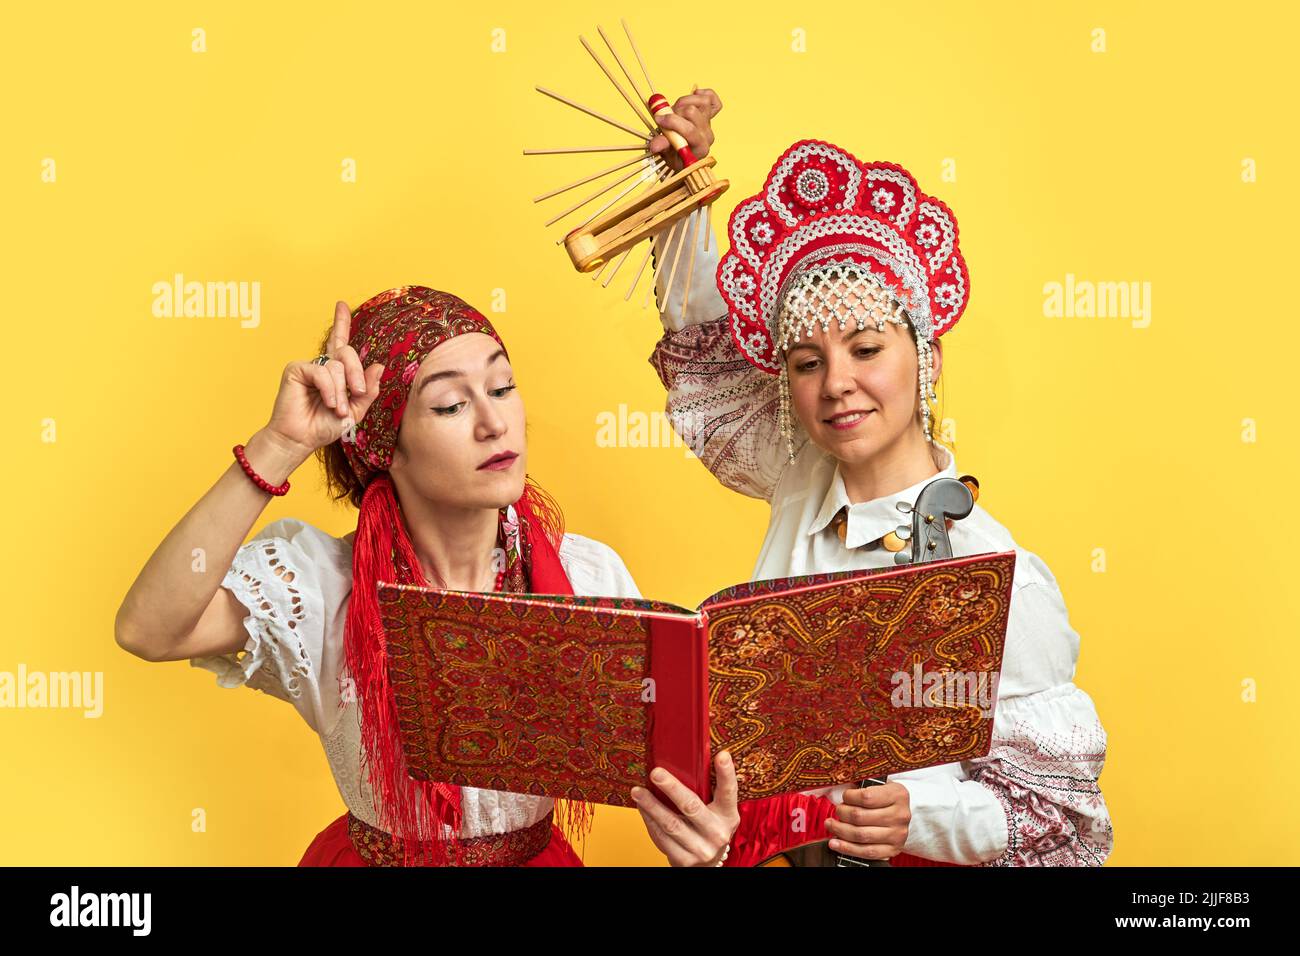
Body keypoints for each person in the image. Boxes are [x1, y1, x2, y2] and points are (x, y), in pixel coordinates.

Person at [627, 118, 1114, 866]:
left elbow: (1057, 811)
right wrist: (682, 186)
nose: (837, 385)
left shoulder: (994, 573)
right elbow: (705, 349)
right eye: (806, 362)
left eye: (865, 348)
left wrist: (920, 812)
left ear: (928, 356)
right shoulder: (798, 483)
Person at [115, 286, 643, 866]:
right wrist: (279, 445)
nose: (494, 423)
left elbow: (669, 763)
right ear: (383, 444)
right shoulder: (320, 589)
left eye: (502, 387)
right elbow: (150, 630)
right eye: (450, 405)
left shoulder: (586, 577)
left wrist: (706, 843)